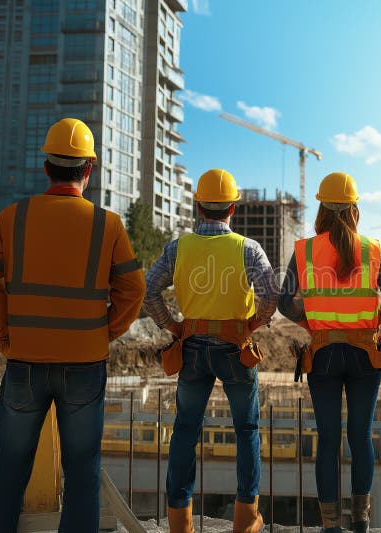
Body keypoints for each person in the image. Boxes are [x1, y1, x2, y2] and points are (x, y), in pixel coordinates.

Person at [0, 118, 145, 533]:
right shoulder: (108, 224)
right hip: (84, 363)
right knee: (82, 471)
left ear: (47, 167)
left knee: (9, 466)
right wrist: (104, 332)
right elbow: (133, 292)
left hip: (24, 360)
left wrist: (3, 331)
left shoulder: (14, 218)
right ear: (89, 170)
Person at [144, 168, 277, 533]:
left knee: (186, 429)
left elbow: (149, 289)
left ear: (198, 205)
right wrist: (252, 323)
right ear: (233, 207)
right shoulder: (247, 248)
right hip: (235, 347)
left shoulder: (179, 247)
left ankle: (179, 522)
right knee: (247, 429)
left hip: (191, 349)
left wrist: (172, 326)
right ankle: (245, 520)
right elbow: (271, 293)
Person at [278, 172, 381, 533]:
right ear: (355, 209)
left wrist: (311, 324)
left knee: (329, 439)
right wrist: (370, 322)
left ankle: (330, 526)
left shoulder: (304, 250)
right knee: (360, 436)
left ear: (321, 209)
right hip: (366, 355)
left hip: (324, 355)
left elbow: (285, 303)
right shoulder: (373, 248)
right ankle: (361, 521)